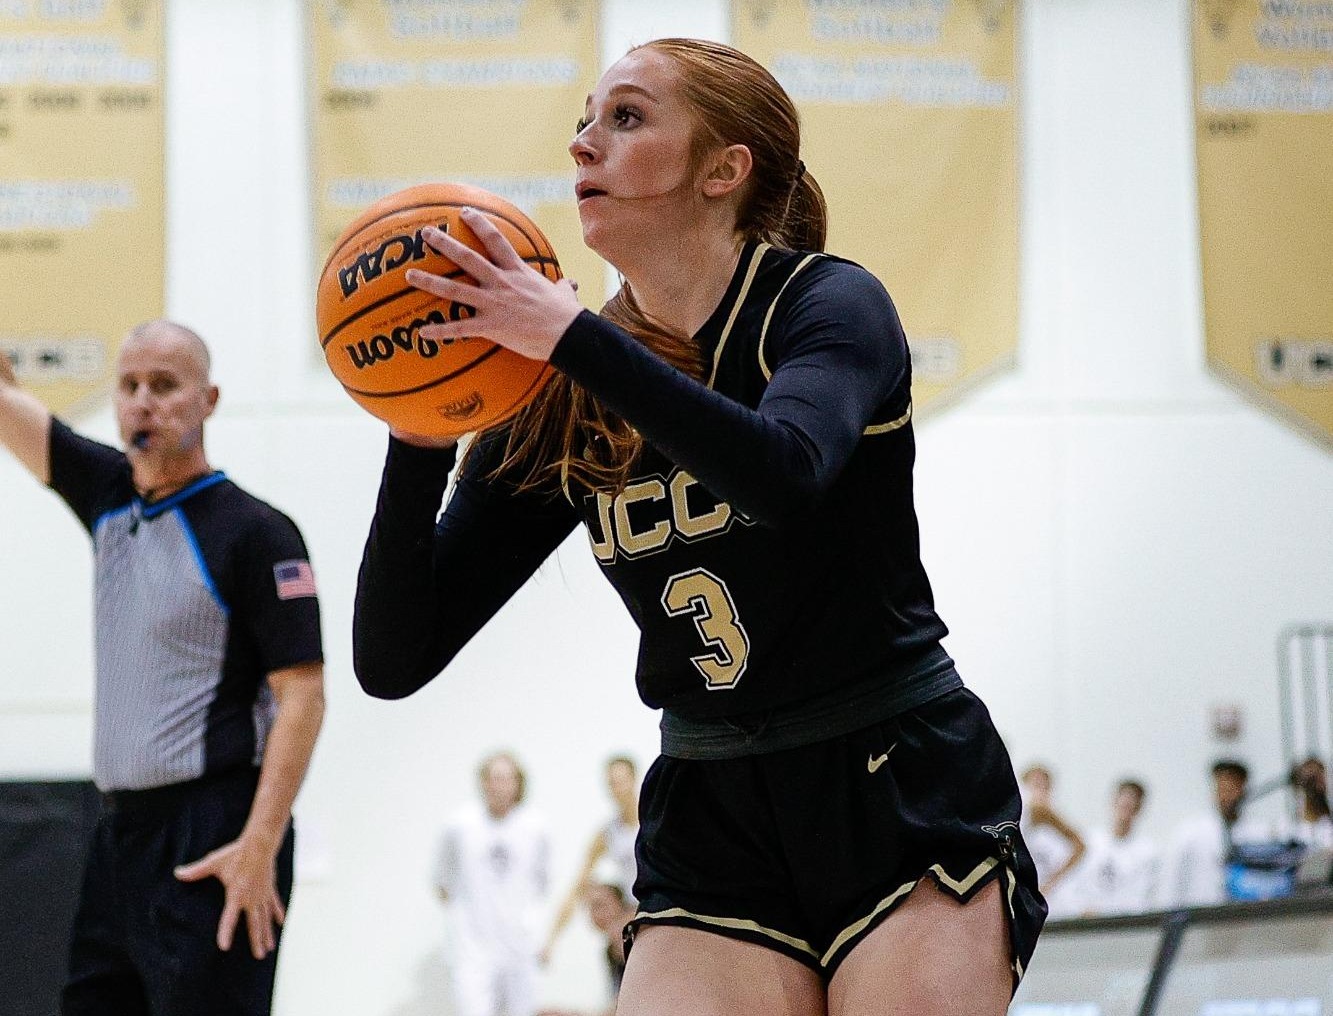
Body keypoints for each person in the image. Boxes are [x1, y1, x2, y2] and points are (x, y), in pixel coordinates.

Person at [353, 37, 1046, 1014]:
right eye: (584, 119)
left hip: (894, 777)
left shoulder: (823, 306)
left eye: (626, 118)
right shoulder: (564, 387)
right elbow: (395, 654)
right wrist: (418, 423)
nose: (585, 144)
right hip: (710, 795)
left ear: (724, 170)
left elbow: (785, 472)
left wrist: (564, 334)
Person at [0, 321, 325, 1015]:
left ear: (208, 399)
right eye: (129, 386)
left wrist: (259, 843)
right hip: (118, 833)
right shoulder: (110, 495)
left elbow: (303, 695)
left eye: (165, 385)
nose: (143, 402)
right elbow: (5, 400)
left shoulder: (256, 532)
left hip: (215, 829)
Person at [435, 751, 551, 1016]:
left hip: (520, 946)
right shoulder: (458, 826)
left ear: (518, 783)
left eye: (506, 778)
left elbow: (541, 885)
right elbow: (443, 884)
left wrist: (535, 931)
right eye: (493, 778)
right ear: (483, 782)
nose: (498, 785)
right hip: (473, 949)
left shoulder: (537, 827)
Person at [541, 755, 639, 965]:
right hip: (632, 918)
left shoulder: (653, 822)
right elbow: (578, 885)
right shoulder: (608, 834)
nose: (618, 789)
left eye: (622, 781)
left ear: (634, 780)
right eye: (612, 783)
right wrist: (551, 939)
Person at [1157, 758, 1270, 908]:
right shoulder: (1190, 831)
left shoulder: (1259, 834)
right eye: (1222, 788)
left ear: (1243, 790)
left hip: (1245, 918)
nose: (1227, 796)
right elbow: (1170, 881)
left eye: (1232, 789)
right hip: (1200, 919)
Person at [1078, 779, 1160, 916]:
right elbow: (1078, 886)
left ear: (1138, 808)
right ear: (1113, 802)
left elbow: (1141, 898)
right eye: (1123, 803)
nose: (1125, 809)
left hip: (1123, 928)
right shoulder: (1090, 842)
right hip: (1089, 925)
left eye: (1130, 805)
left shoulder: (1147, 852)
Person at [1018, 763, 1087, 918]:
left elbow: (1080, 844)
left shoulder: (1043, 814)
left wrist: (1053, 881)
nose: (1040, 791)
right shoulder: (1020, 816)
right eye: (1035, 785)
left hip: (1050, 896)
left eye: (1044, 786)